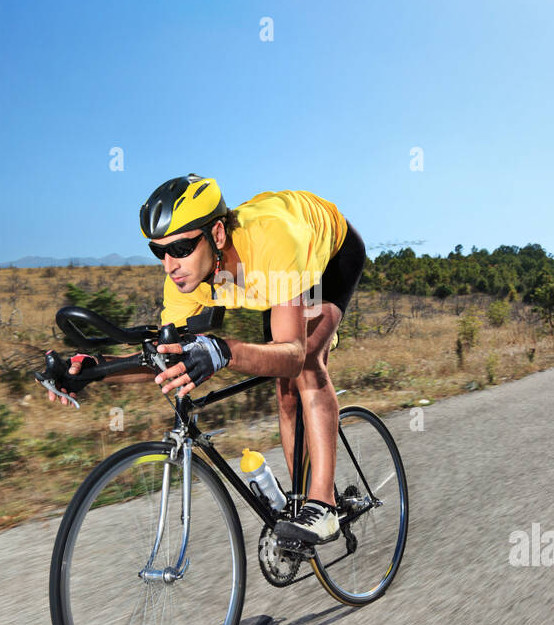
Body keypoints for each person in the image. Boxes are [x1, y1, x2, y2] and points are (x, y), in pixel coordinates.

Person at [49, 173, 367, 547]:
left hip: (327, 254)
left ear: (216, 234)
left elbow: (293, 356)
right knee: (285, 394)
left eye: (181, 248)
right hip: (273, 278)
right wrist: (95, 371)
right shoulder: (183, 278)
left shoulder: (273, 241)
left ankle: (323, 505)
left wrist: (223, 351)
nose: (170, 265)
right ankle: (300, 507)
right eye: (159, 252)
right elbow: (164, 356)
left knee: (306, 365)